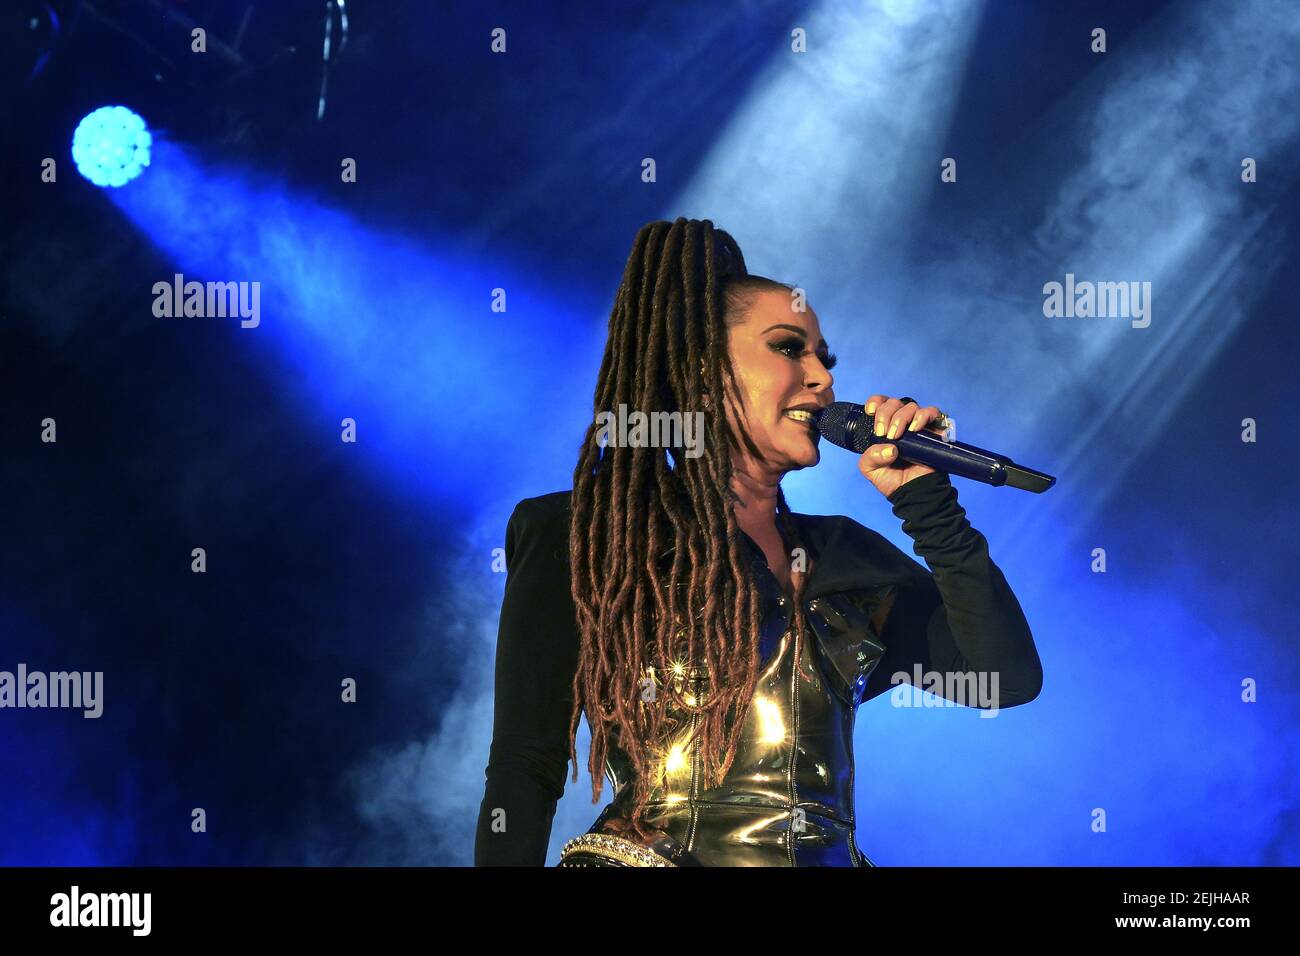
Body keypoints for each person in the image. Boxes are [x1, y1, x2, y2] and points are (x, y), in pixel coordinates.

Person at [474, 217, 1042, 866]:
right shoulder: (592, 535)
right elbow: (525, 766)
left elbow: (1004, 680)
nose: (822, 377)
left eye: (824, 358)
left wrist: (929, 504)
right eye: (789, 348)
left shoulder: (845, 559)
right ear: (702, 369)